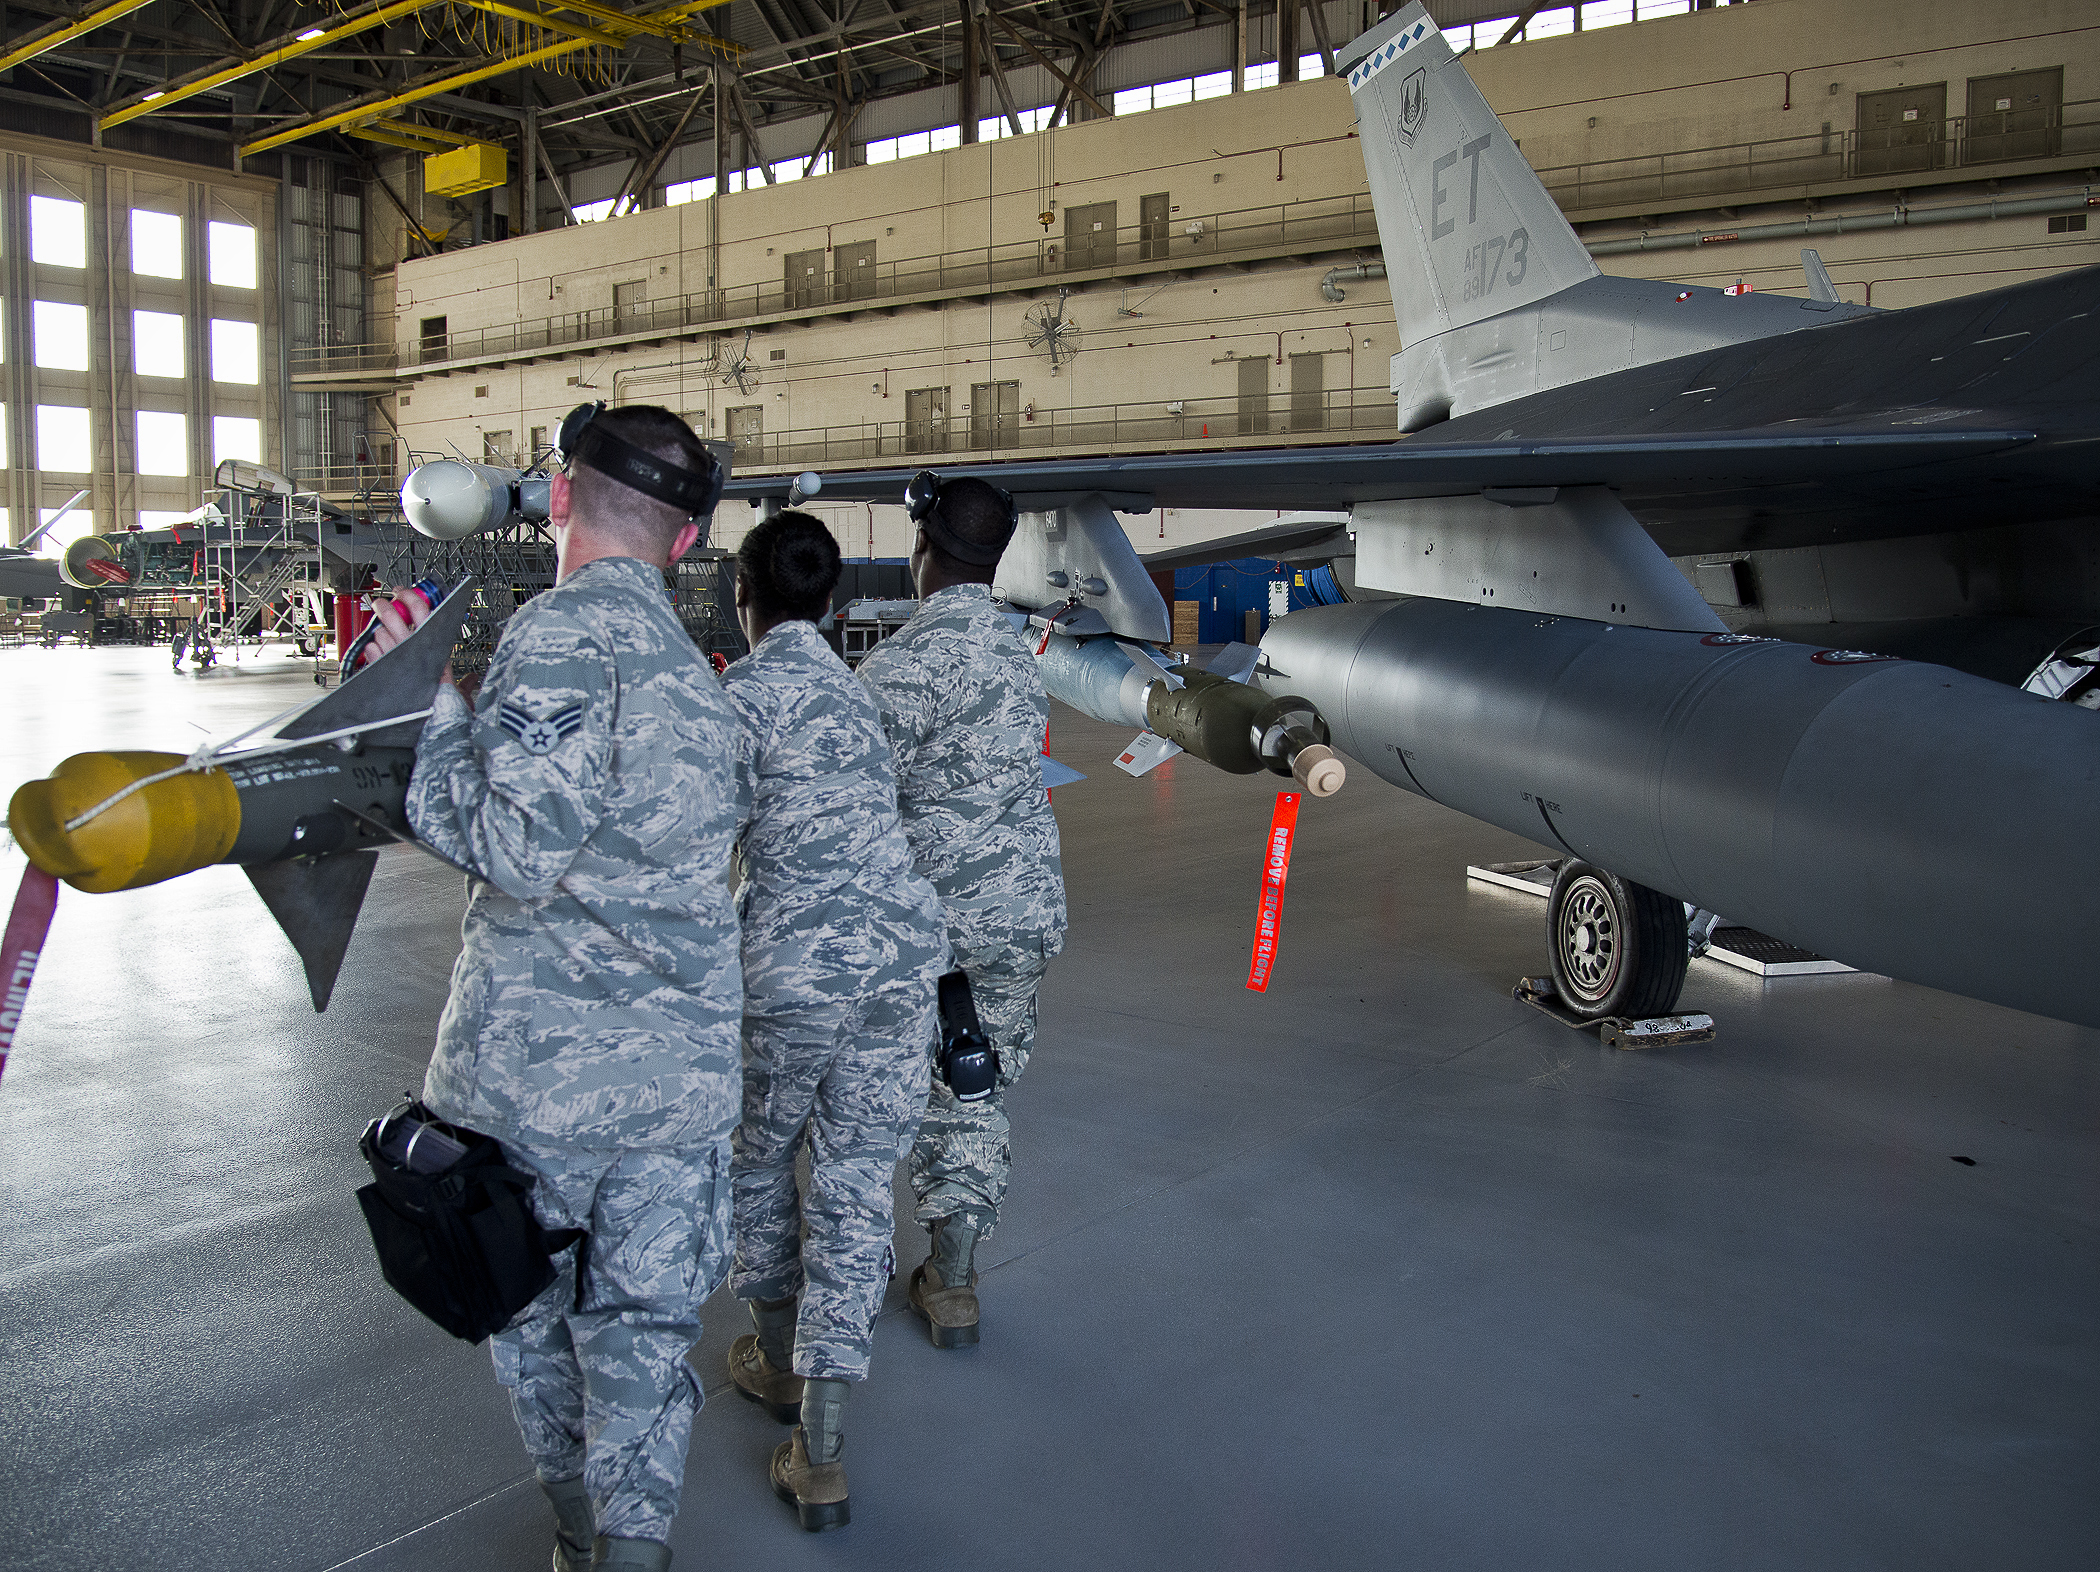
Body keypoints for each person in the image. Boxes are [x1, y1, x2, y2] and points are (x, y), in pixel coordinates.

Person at [363, 404, 743, 1572]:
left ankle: (580, 1538)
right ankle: (632, 1549)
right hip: (681, 1083)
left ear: (563, 497)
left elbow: (516, 848)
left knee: (534, 1320)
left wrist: (425, 704)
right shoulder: (701, 678)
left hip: (546, 1081)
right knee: (644, 1336)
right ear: (687, 540)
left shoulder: (561, 631)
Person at [716, 510, 947, 1531]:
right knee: (855, 1186)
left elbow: (699, 853)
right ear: (833, 601)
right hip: (896, 968)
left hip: (791, 979)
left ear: (742, 596)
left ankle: (775, 1357)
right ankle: (821, 1449)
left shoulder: (736, 701)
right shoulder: (861, 696)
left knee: (759, 1161)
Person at [854, 472, 1067, 1350]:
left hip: (927, 923)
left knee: (868, 1096)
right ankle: (953, 1282)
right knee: (972, 1084)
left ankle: (840, 1289)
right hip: (1019, 912)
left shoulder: (899, 665)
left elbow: (849, 797)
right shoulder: (1023, 655)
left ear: (922, 548)